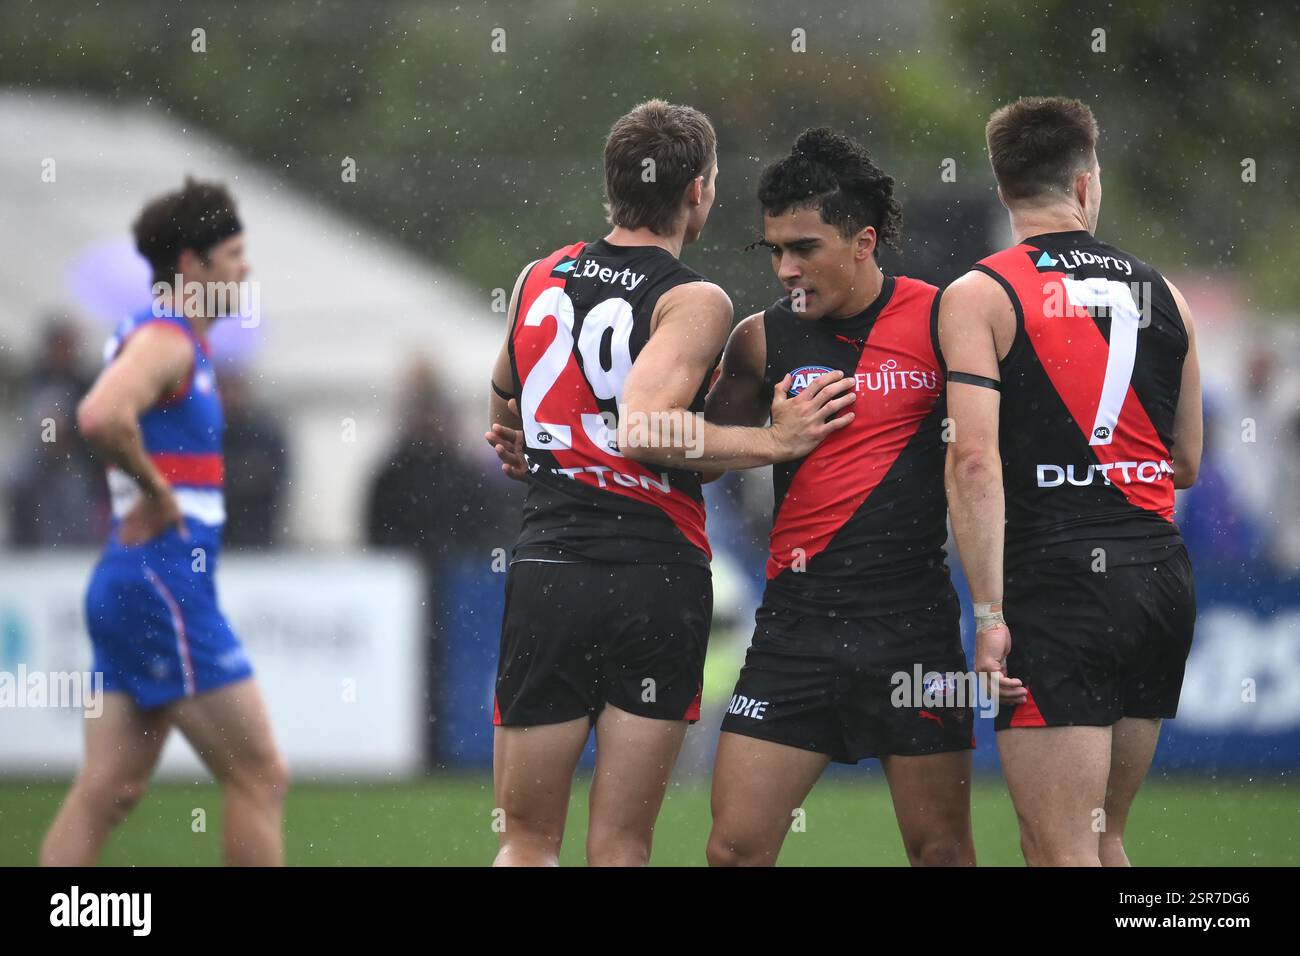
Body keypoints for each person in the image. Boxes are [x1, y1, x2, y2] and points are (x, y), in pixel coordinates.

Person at [484, 100, 856, 866]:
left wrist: (525, 440)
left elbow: (503, 392)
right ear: (700, 191)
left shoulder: (535, 276)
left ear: (610, 186)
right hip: (652, 575)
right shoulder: (695, 299)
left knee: (525, 841)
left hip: (549, 569)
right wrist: (776, 439)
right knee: (621, 845)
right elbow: (647, 428)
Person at [940, 97, 1202, 866]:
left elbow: (973, 460)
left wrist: (988, 614)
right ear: (1086, 185)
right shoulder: (1167, 292)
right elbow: (1185, 460)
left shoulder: (981, 293)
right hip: (1158, 576)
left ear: (1002, 191)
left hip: (1059, 583)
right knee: (1098, 839)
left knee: (1060, 850)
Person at [704, 129, 975, 867]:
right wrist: (767, 439)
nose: (787, 269)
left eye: (805, 248)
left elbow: (994, 452)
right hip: (795, 632)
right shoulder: (760, 341)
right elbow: (695, 457)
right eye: (775, 252)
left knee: (944, 852)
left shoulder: (945, 321)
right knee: (732, 850)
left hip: (918, 631)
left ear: (862, 241)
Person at [40, 179, 288, 866]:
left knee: (108, 789)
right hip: (163, 583)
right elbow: (98, 415)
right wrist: (155, 490)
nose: (245, 269)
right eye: (234, 254)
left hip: (135, 583)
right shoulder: (167, 339)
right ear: (192, 266)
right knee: (260, 776)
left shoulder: (177, 343)